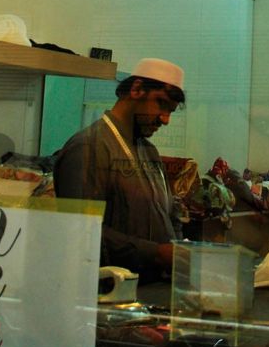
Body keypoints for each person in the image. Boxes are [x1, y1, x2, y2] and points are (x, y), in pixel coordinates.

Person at [53, 57, 186, 278]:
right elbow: (82, 232)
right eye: (161, 104)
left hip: (152, 289)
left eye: (171, 111)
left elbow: (170, 215)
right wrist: (156, 253)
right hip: (109, 291)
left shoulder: (149, 151)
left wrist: (180, 251)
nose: (165, 119)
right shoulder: (89, 148)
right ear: (136, 89)